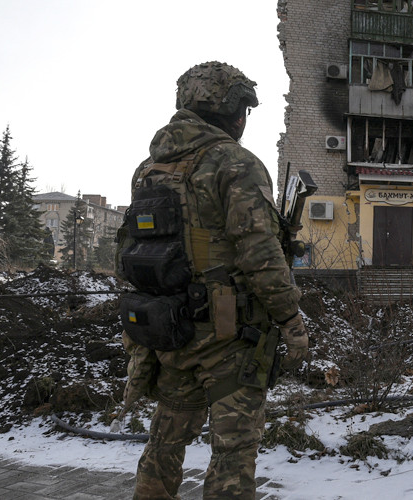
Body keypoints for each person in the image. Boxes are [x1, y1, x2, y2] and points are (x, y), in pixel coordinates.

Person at [116, 61, 308, 500]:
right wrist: (291, 321)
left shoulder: (148, 169)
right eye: (243, 109)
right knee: (233, 454)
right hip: (228, 339)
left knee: (165, 440)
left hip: (171, 328)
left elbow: (129, 256)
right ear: (229, 110)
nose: (244, 120)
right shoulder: (235, 163)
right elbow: (260, 255)